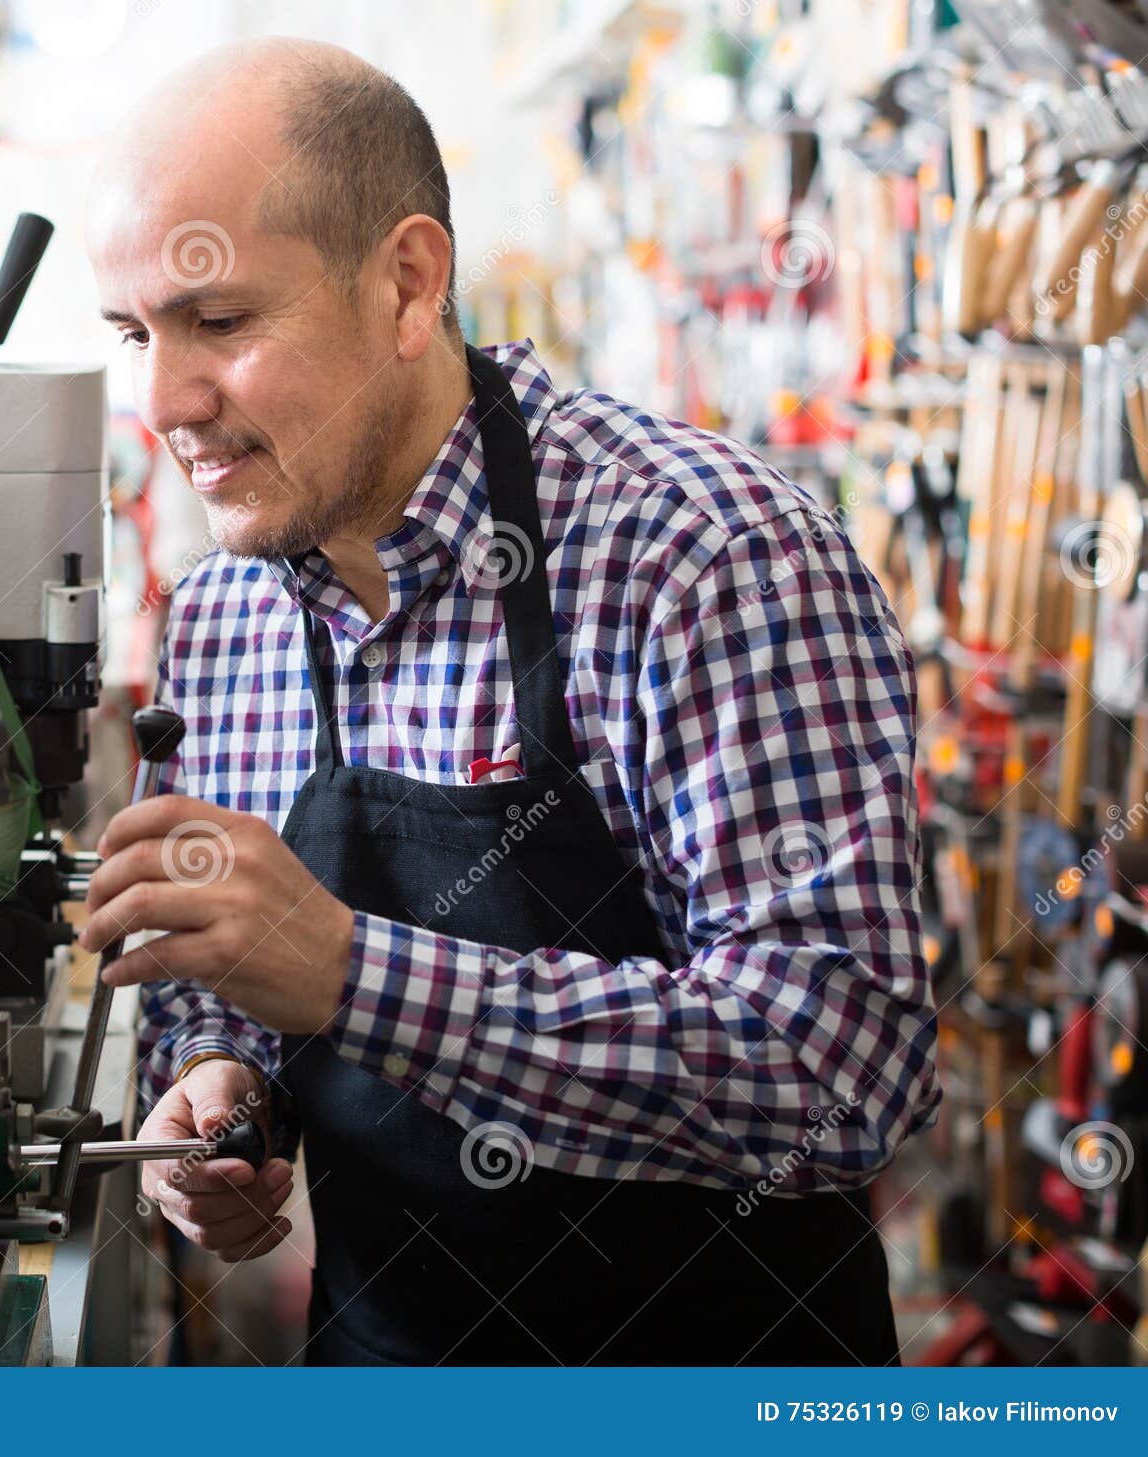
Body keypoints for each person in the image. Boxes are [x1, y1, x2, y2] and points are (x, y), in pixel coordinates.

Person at [80, 36, 940, 1366]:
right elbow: (223, 988)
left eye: (221, 321)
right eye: (134, 334)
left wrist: (359, 975)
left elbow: (840, 1072)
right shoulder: (225, 614)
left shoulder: (704, 559)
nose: (164, 402)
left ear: (410, 283)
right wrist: (217, 1094)